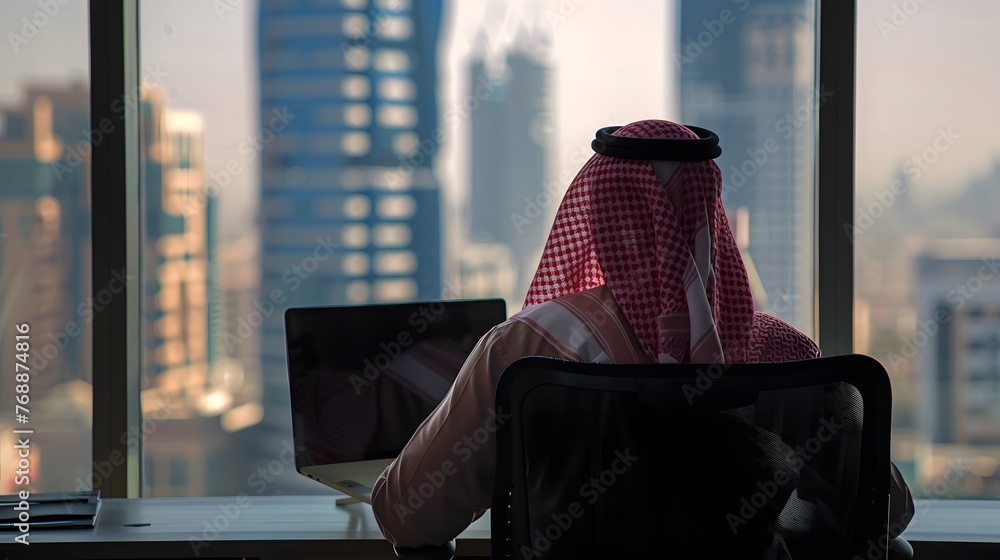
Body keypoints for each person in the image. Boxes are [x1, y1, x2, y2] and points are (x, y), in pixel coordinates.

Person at [370, 119, 911, 549]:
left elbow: (408, 516)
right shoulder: (785, 357)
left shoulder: (527, 349)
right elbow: (885, 511)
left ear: (599, 217)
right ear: (710, 215)